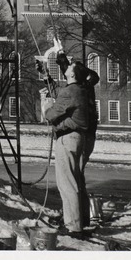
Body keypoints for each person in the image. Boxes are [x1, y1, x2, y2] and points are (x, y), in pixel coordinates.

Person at [42, 61, 89, 239]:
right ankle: (82, 220)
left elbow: (51, 115)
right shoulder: (80, 90)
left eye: (71, 66)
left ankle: (74, 227)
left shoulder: (70, 91)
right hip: (77, 139)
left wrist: (45, 104)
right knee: (76, 180)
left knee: (67, 183)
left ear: (73, 75)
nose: (68, 66)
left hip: (67, 139)